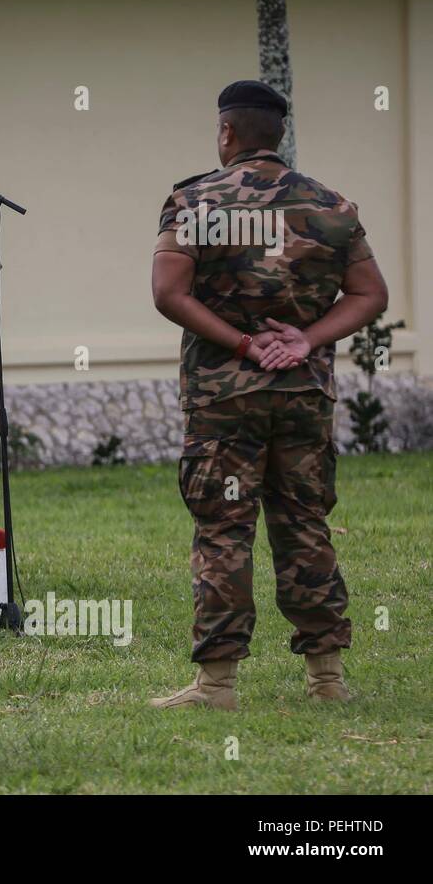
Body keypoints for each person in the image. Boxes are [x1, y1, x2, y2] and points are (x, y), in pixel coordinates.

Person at [150, 79, 388, 710]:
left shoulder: (194, 201)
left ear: (227, 132)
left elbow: (169, 294)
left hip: (224, 400)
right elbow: (371, 297)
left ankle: (217, 686)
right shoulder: (332, 206)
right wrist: (303, 341)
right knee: (304, 523)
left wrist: (243, 345)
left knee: (223, 529)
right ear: (277, 134)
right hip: (303, 394)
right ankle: (327, 680)